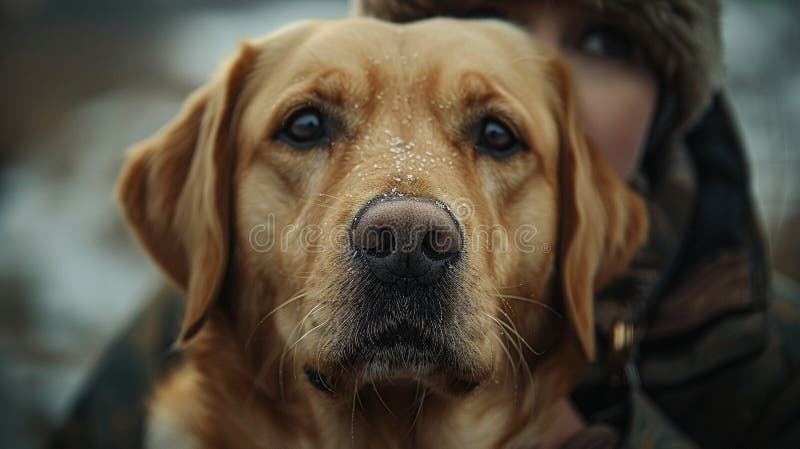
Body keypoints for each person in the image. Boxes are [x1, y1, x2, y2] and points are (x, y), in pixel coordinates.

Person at [353, 1, 800, 448]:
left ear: (664, 105)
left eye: (605, 42)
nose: (539, 71)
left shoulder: (779, 358)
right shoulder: (297, 314)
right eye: (486, 21)